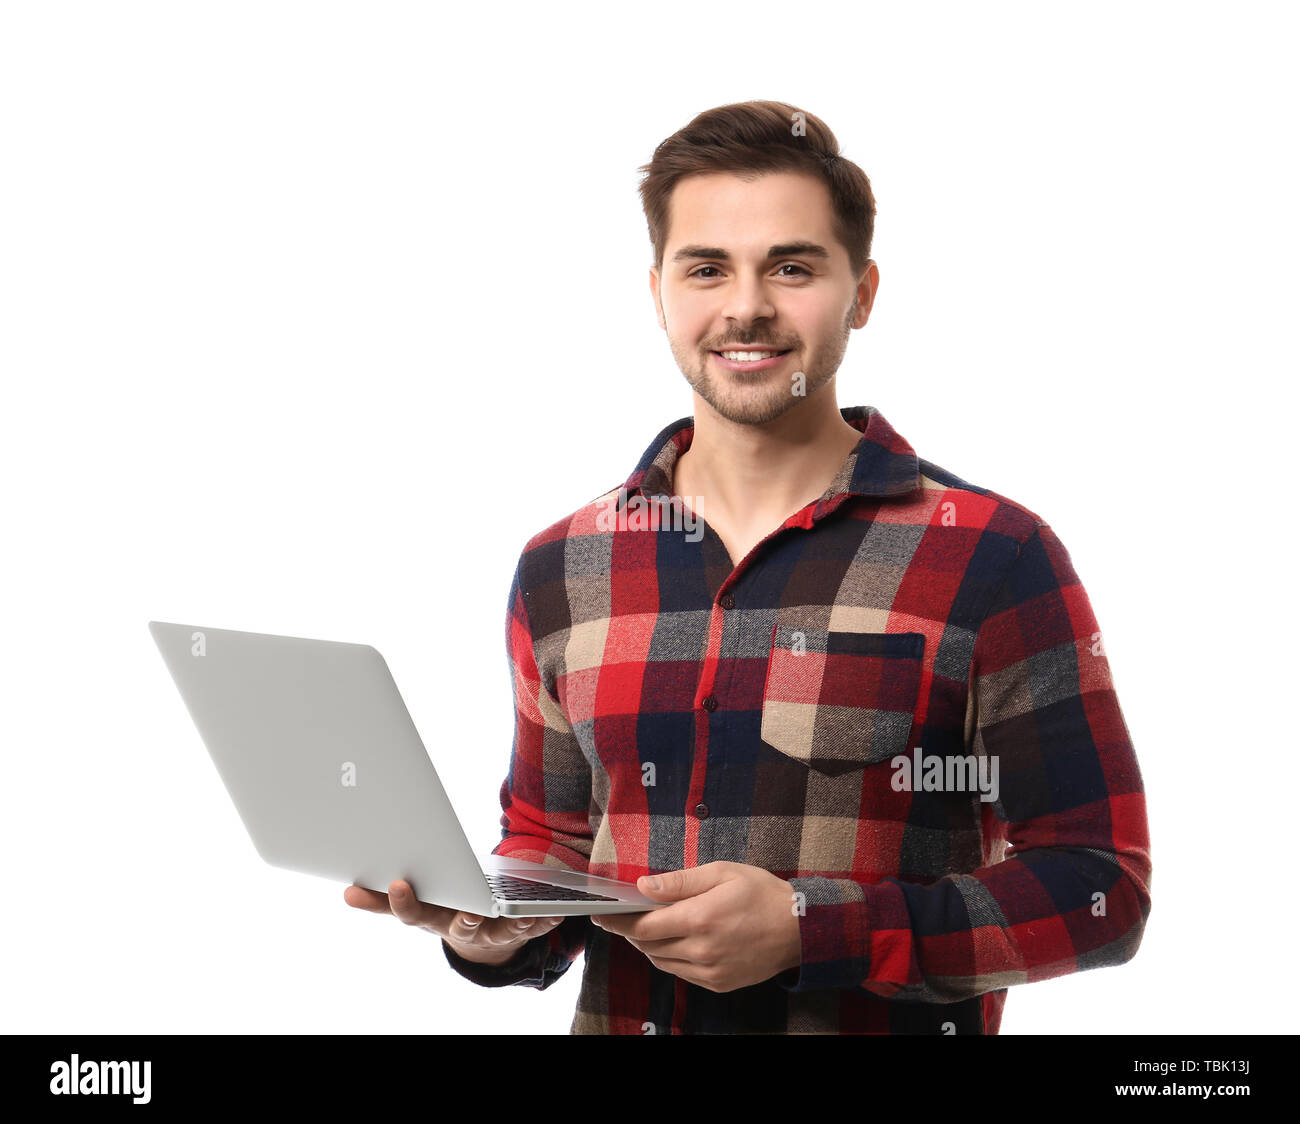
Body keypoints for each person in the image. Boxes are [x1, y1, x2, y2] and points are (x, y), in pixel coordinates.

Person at [344, 100, 1152, 1034]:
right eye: (706, 268)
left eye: (793, 267)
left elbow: (1101, 888)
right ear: (658, 293)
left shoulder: (993, 555)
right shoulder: (562, 568)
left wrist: (816, 931)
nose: (746, 307)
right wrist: (495, 931)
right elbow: (551, 845)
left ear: (863, 292)